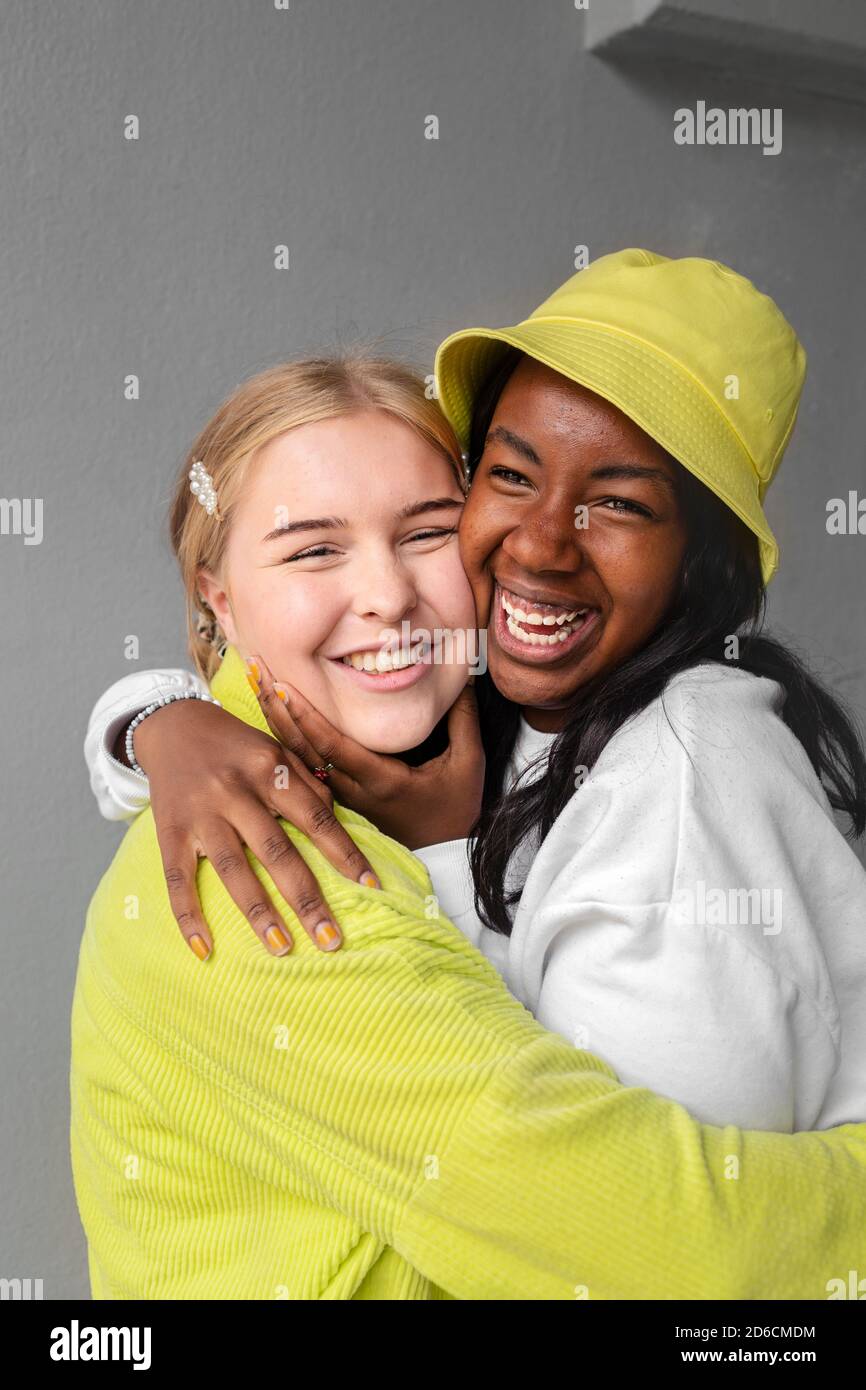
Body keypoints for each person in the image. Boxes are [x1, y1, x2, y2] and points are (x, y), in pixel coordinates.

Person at [71, 340, 866, 1298]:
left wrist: (153, 716)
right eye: (313, 549)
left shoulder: (495, 744)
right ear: (220, 599)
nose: (390, 598)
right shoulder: (263, 873)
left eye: (426, 532)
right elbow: (684, 1260)